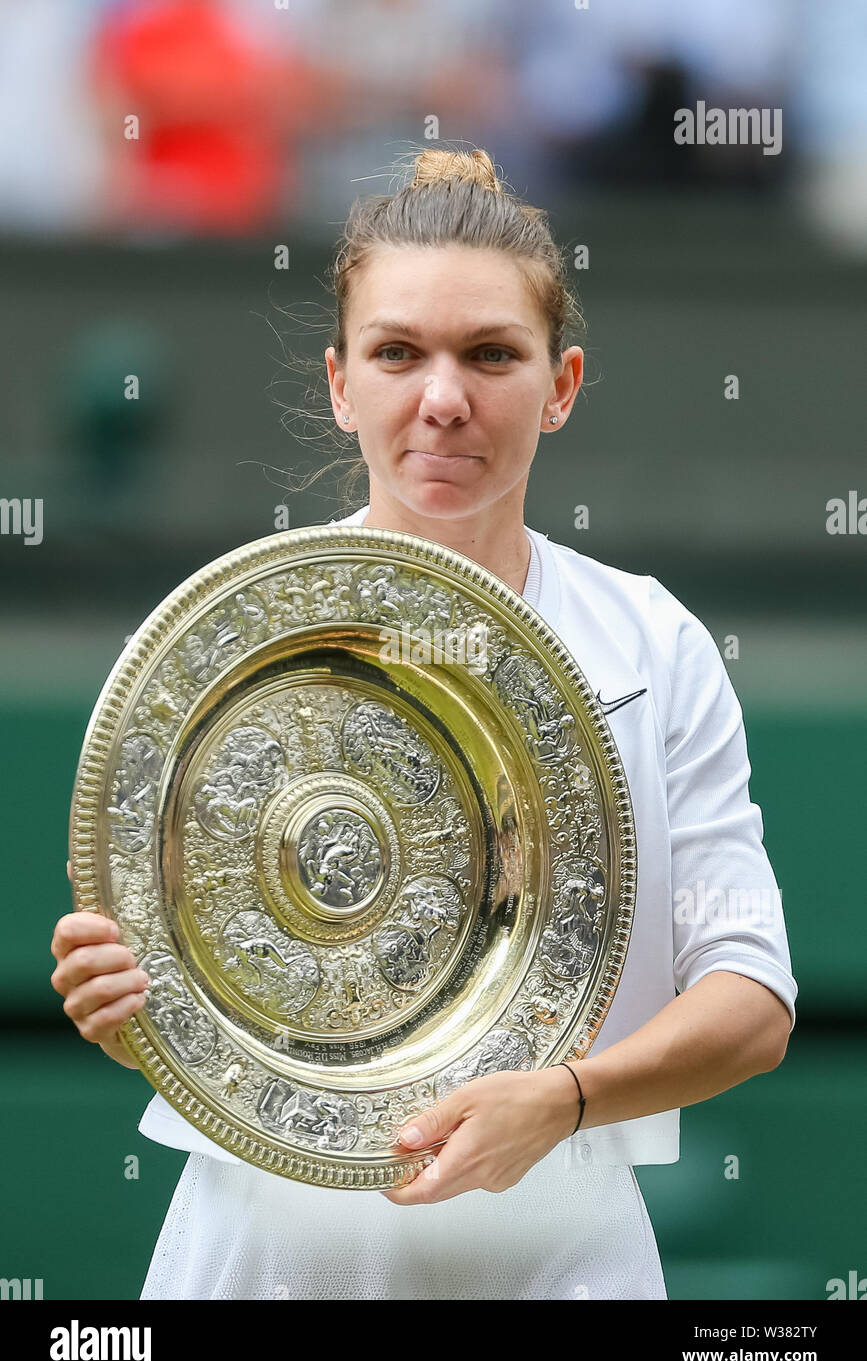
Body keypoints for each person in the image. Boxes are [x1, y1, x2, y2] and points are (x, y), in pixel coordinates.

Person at [50, 146, 797, 1300]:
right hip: (258, 1254)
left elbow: (751, 1000)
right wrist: (129, 1012)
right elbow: (166, 989)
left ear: (562, 382)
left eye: (491, 353)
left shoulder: (657, 647)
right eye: (399, 352)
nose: (443, 397)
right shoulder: (218, 643)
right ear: (344, 382)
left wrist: (566, 1097)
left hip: (559, 1249)